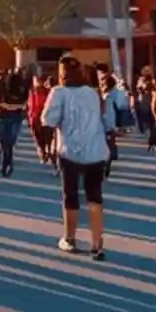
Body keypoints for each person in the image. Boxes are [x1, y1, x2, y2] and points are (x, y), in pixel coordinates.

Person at [42, 56, 110, 260]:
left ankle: (69, 238)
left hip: (69, 150)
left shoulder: (59, 92)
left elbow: (47, 119)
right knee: (94, 195)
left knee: (70, 195)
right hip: (96, 150)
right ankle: (97, 243)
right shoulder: (92, 93)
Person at [0, 67, 28, 177]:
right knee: (6, 142)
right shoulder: (2, 86)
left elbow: (24, 103)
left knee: (7, 142)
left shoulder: (20, 87)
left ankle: (6, 162)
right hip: (7, 116)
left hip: (6, 116)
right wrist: (17, 107)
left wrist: (9, 107)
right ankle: (6, 161)